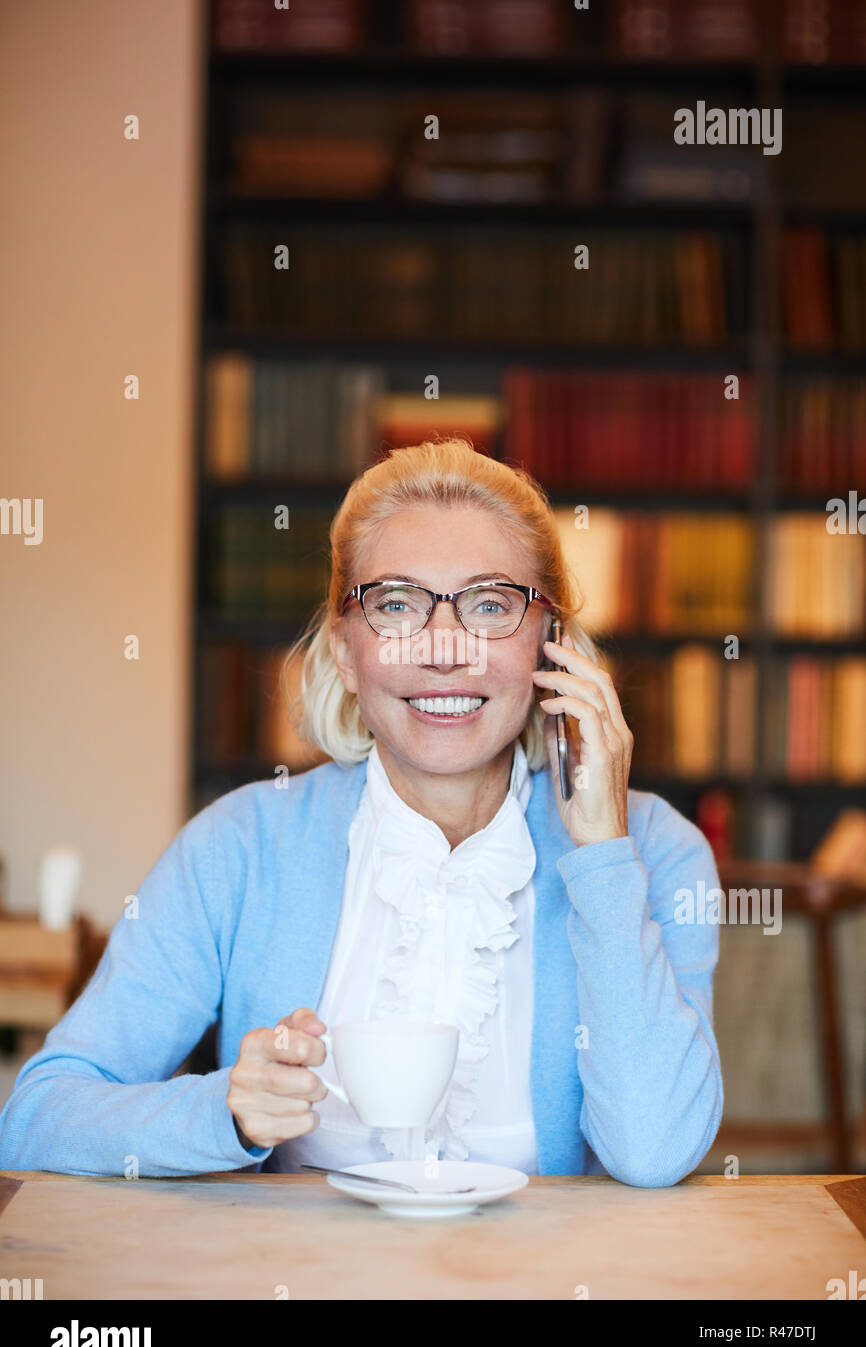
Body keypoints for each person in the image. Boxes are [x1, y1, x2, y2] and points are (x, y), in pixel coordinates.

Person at [0, 438, 723, 1185]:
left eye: (490, 605)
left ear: (551, 644)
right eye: (398, 605)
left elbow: (654, 1151)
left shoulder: (656, 851)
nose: (446, 651)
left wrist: (602, 851)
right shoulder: (241, 846)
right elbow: (36, 1118)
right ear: (346, 649)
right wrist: (225, 1112)